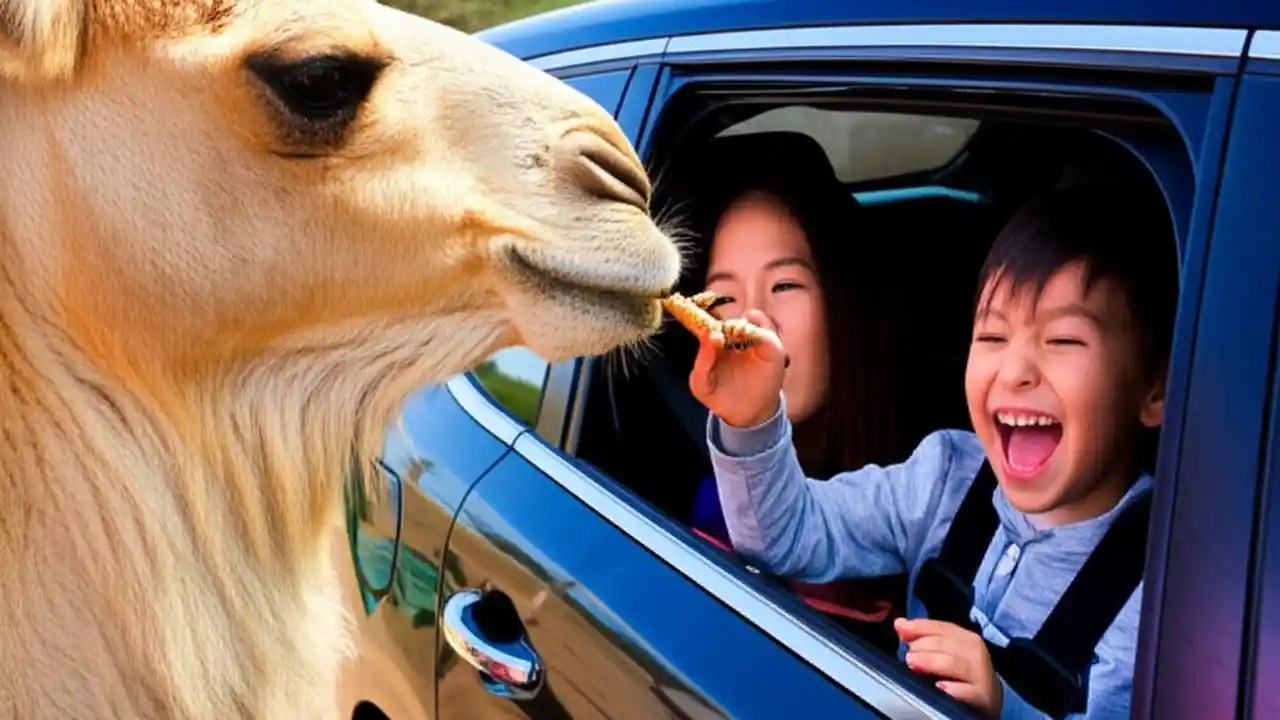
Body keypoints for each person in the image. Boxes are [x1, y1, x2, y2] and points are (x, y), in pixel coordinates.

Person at [690, 181, 1178, 719]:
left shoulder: (1159, 591)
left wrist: (1006, 709)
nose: (1014, 372)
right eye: (992, 338)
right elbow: (787, 534)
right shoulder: (945, 477)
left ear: (1154, 389)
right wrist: (752, 421)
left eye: (1063, 341)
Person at [675, 131, 910, 653]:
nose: (753, 321)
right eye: (724, 297)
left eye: (784, 286)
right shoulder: (719, 512)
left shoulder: (931, 489)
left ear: (843, 304)